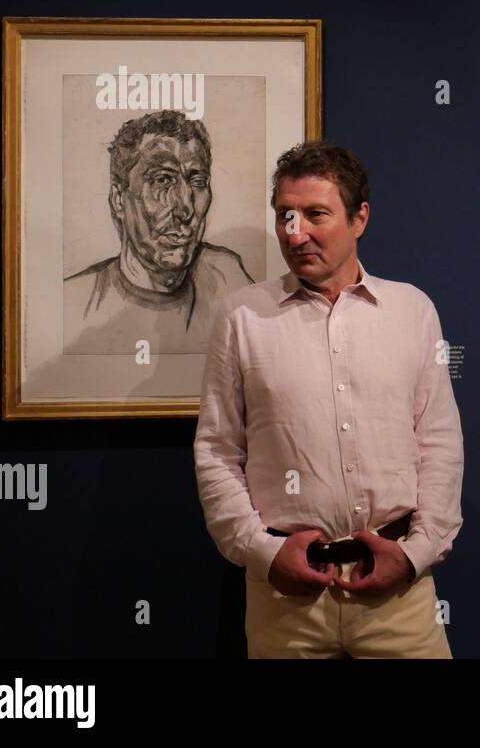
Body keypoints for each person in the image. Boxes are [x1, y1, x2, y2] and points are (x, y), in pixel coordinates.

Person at [193, 141, 463, 658]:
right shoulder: (240, 317)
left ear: (360, 218)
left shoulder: (412, 310)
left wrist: (416, 554)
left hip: (399, 596)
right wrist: (262, 553)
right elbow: (218, 451)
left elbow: (439, 442)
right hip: (284, 601)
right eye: (284, 215)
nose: (295, 232)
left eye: (316, 214)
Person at [64, 110, 253, 354]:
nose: (185, 207)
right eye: (163, 180)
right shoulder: (76, 304)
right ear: (119, 199)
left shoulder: (227, 277)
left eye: (197, 182)